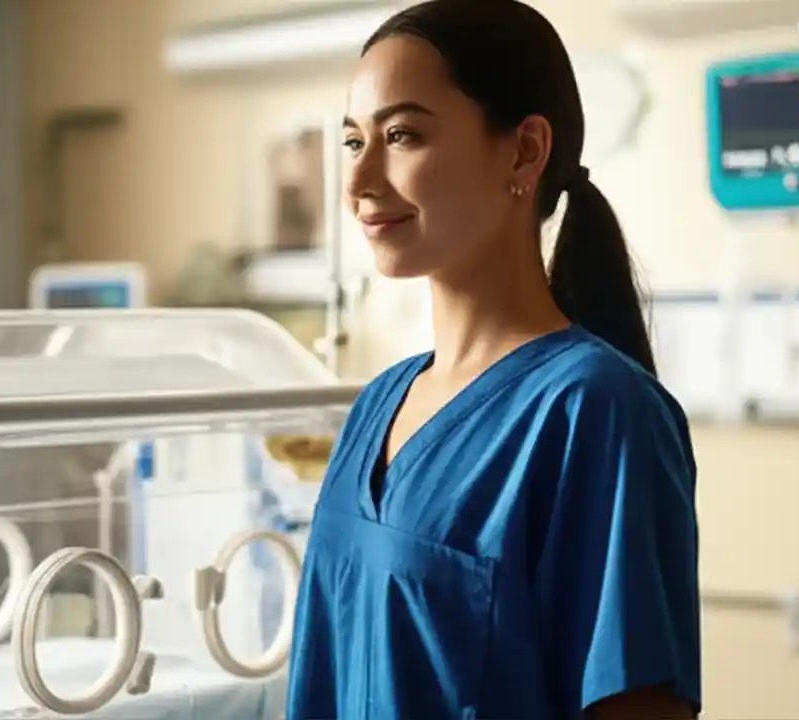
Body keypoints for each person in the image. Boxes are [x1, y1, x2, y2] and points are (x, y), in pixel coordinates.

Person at [285, 1, 702, 718]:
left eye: (403, 134)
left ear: (524, 151)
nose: (359, 182)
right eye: (354, 142)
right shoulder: (375, 406)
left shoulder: (595, 412)